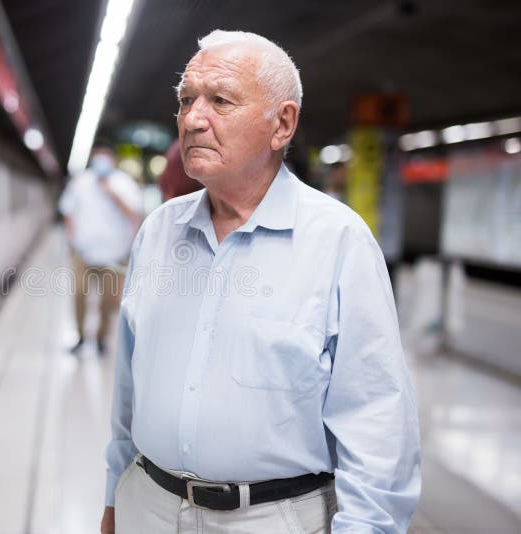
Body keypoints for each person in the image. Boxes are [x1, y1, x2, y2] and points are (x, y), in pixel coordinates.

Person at [102, 30, 420, 534]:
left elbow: (376, 421)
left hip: (274, 518)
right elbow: (128, 390)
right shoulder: (158, 233)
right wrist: (114, 498)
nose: (192, 118)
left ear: (282, 124)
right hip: (149, 507)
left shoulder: (337, 241)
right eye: (186, 100)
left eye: (219, 100)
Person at [59, 145, 142, 355]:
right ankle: (79, 337)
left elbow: (134, 214)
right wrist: (73, 240)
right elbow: (67, 210)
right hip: (83, 252)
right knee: (79, 293)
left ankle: (101, 339)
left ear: (113, 161)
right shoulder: (81, 182)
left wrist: (112, 193)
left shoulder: (124, 183)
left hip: (115, 254)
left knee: (109, 299)